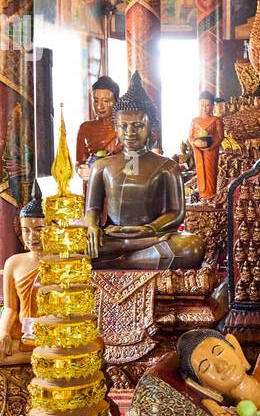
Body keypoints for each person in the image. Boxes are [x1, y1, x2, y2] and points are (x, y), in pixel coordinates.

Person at [84, 71, 203, 269]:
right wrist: (92, 226)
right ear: (116, 126)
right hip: (113, 237)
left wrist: (150, 228)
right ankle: (134, 260)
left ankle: (122, 262)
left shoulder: (168, 167)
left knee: (191, 247)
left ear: (151, 127)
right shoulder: (101, 166)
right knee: (72, 247)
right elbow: (92, 208)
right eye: (124, 126)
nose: (130, 133)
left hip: (151, 237)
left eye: (138, 126)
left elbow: (176, 212)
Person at [0, 183, 44, 363]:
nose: (31, 236)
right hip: (22, 335)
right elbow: (10, 308)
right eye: (26, 230)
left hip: (52, 336)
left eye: (39, 229)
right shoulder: (14, 262)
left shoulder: (61, 264)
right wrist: (3, 333)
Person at [75, 76, 121, 182]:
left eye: (105, 101)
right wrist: (81, 170)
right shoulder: (85, 128)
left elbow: (133, 164)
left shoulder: (125, 128)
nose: (99, 106)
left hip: (117, 185)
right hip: (93, 184)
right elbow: (79, 162)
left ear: (116, 102)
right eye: (96, 101)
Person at [188, 92, 224, 201]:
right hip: (198, 151)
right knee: (200, 171)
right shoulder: (194, 121)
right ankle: (202, 195)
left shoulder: (216, 120)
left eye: (207, 105)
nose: (204, 108)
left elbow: (220, 136)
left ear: (212, 106)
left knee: (210, 172)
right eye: (202, 105)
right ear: (198, 105)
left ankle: (210, 195)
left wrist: (211, 145)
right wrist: (195, 143)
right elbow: (190, 136)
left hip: (211, 151)